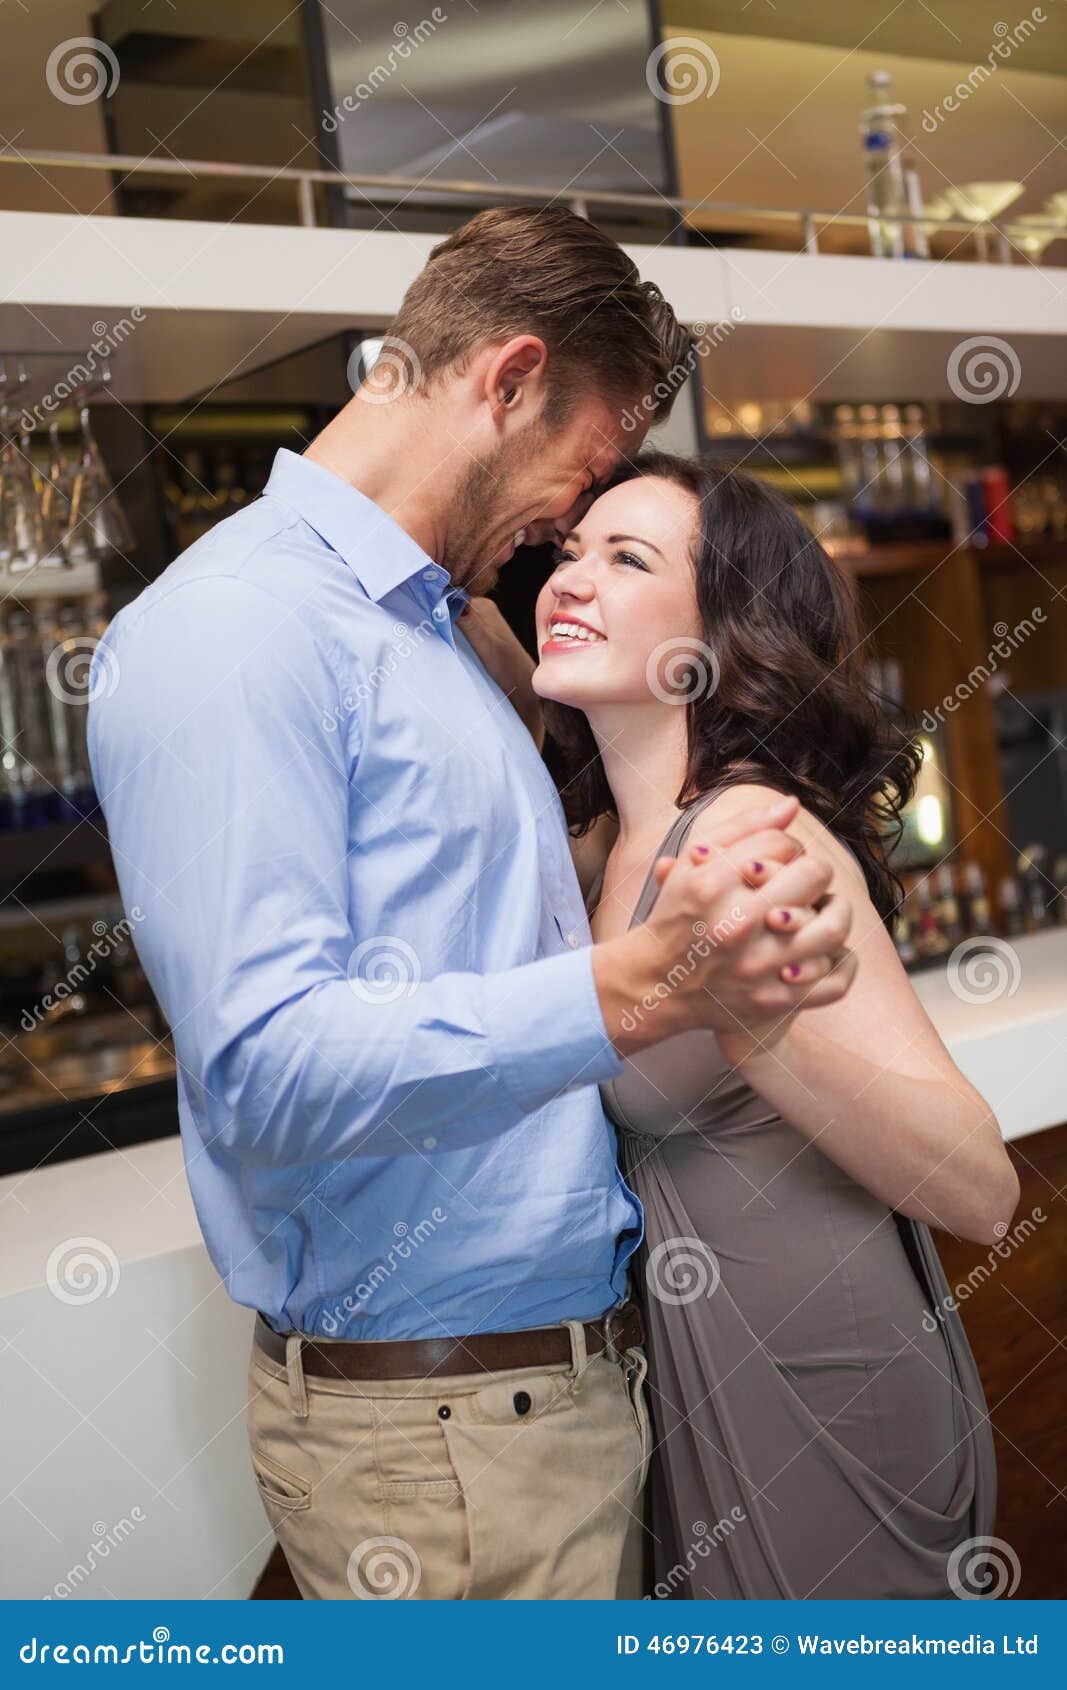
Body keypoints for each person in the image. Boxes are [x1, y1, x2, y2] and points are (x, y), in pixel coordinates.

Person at [87, 209, 857, 1602]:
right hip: (440, 1446)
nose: (573, 518)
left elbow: (452, 934)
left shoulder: (426, 630)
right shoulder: (236, 628)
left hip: (521, 1412)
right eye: (592, 465)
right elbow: (264, 1064)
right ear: (505, 380)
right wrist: (643, 983)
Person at [479, 449, 1017, 1599]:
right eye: (568, 553)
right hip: (693, 1383)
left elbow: (980, 1188)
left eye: (626, 559)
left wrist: (755, 1030)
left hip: (826, 1387)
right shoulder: (594, 853)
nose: (571, 579)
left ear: (715, 638)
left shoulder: (752, 837)